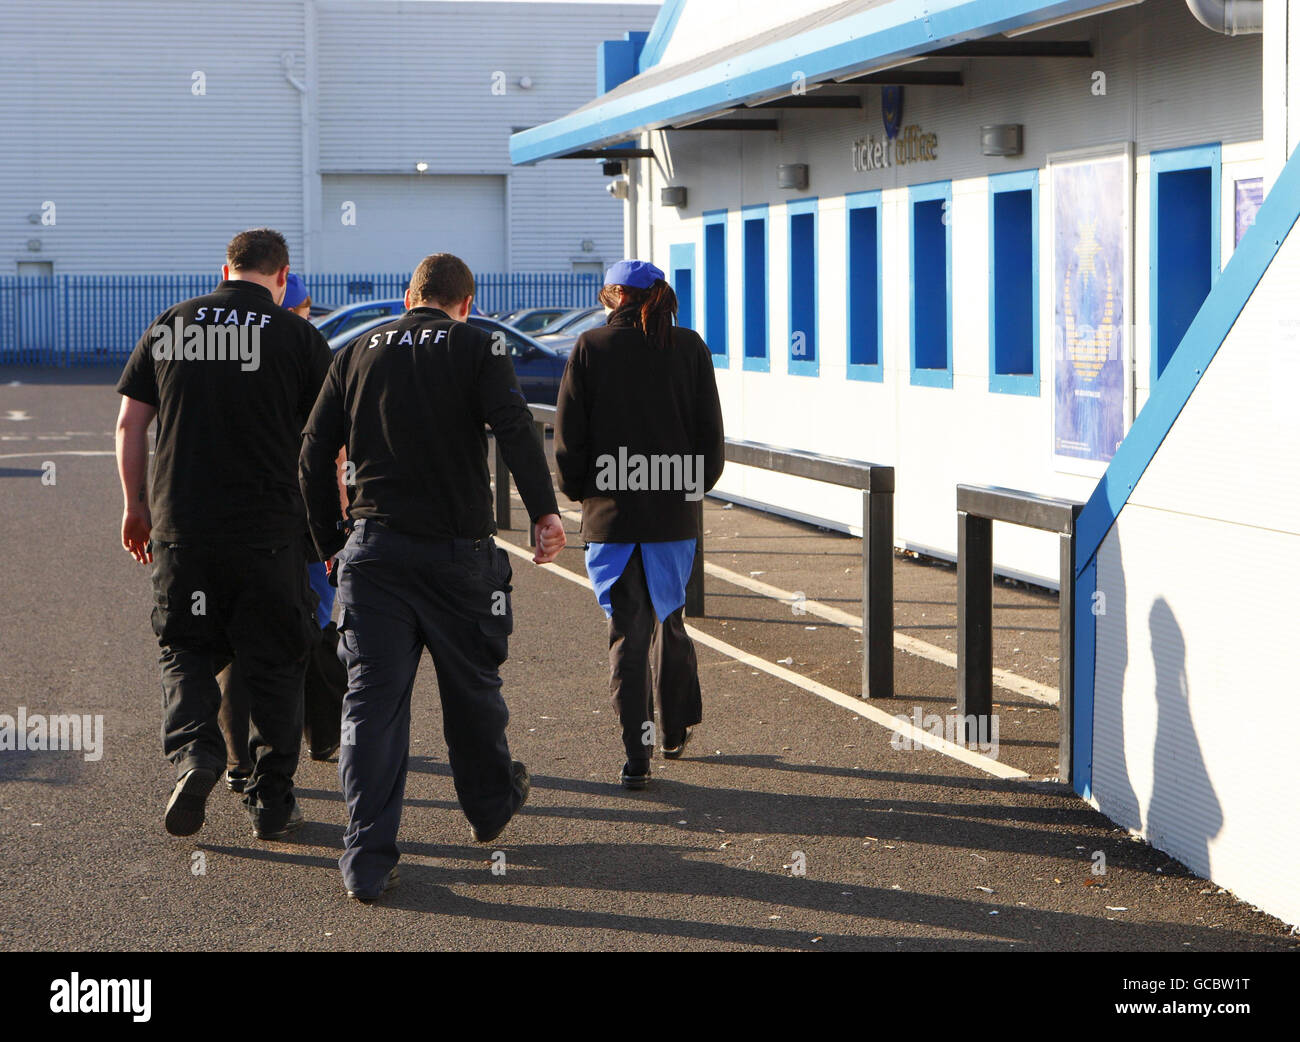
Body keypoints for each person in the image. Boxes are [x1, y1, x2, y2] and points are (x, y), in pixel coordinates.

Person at [299, 252, 566, 902]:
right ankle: (489, 805)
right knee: (471, 690)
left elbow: (311, 451)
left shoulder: (357, 351)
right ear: (464, 304)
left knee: (371, 707)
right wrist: (544, 514)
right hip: (455, 557)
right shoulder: (476, 346)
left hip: (375, 555)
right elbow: (516, 429)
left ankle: (366, 858)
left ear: (407, 295)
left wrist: (331, 544)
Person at [115, 228, 331, 840]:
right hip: (271, 533)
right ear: (283, 276)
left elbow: (131, 423)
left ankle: (198, 754)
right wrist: (330, 525)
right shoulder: (298, 336)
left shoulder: (174, 324)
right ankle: (271, 797)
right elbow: (329, 443)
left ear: (225, 268)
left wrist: (135, 506)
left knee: (184, 648)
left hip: (185, 529)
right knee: (275, 662)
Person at [554, 260, 724, 790]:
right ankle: (674, 731)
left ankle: (636, 756)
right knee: (670, 621)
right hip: (673, 516)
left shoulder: (590, 347)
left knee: (628, 634)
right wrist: (687, 490)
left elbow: (568, 439)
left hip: (612, 517)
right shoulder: (690, 347)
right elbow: (710, 441)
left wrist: (583, 494)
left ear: (614, 296)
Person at [216, 270, 346, 793]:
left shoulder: (229, 360)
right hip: (299, 523)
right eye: (305, 307)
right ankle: (316, 737)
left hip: (229, 524)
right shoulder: (306, 353)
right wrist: (338, 523)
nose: (310, 315)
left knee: (236, 645)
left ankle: (234, 758)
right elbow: (332, 452)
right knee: (310, 630)